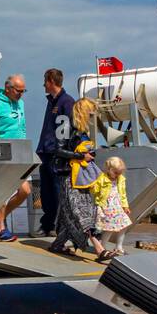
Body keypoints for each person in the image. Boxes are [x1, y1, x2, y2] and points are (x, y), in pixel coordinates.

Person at [49, 98, 108, 260]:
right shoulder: (66, 125)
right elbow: (58, 150)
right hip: (68, 175)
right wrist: (81, 155)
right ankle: (99, 249)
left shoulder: (82, 130)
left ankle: (58, 244)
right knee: (79, 211)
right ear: (83, 111)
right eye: (90, 113)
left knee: (69, 213)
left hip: (79, 175)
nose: (92, 117)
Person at [0, 74, 33, 241]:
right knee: (2, 193)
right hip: (2, 152)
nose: (21, 94)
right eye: (18, 91)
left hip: (20, 153)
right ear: (8, 88)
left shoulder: (21, 103)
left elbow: (23, 127)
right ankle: (1, 229)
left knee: (25, 191)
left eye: (23, 90)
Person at [36, 68, 77, 235]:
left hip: (56, 155)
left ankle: (58, 228)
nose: (43, 85)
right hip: (45, 153)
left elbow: (66, 131)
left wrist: (62, 153)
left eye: (45, 81)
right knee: (46, 193)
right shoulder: (51, 102)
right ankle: (47, 226)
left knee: (57, 192)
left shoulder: (66, 102)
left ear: (51, 81)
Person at [92, 155, 132, 256]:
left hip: (118, 206)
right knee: (109, 228)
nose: (118, 174)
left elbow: (123, 194)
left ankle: (119, 247)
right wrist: (93, 187)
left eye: (120, 172)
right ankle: (102, 247)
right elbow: (95, 191)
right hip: (107, 207)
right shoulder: (102, 178)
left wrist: (125, 206)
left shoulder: (121, 179)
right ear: (109, 170)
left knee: (124, 225)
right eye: (116, 172)